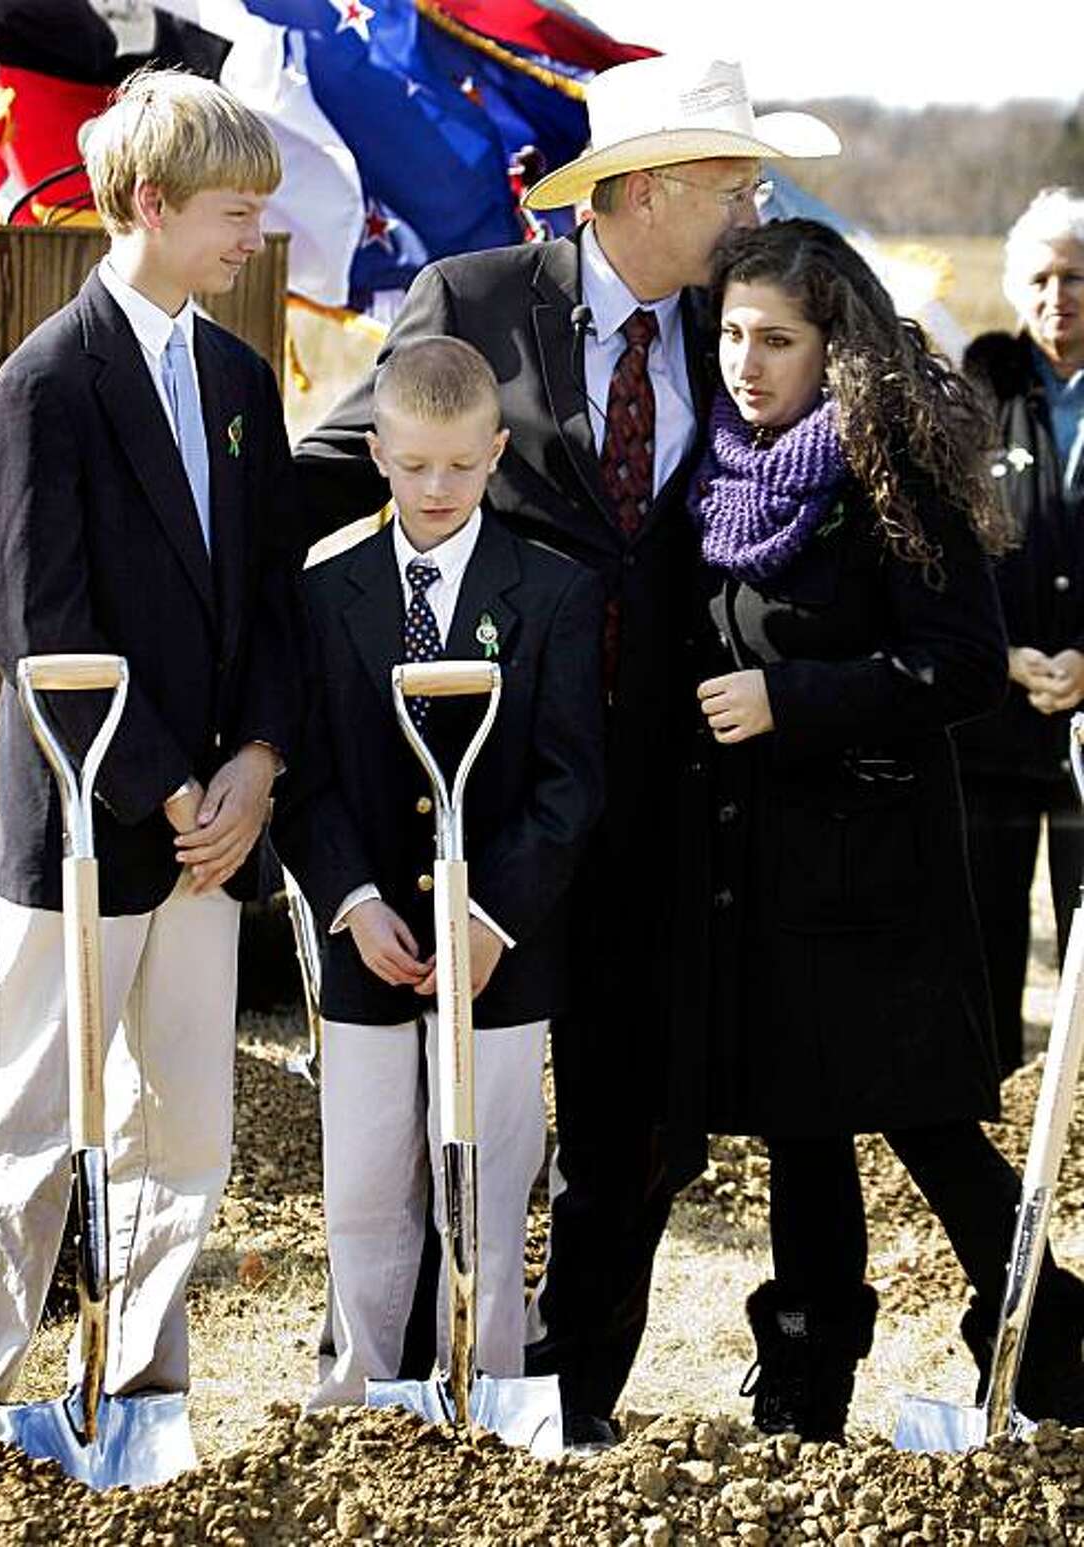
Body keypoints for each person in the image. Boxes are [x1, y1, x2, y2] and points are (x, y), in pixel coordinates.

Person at [294, 54, 839, 1448]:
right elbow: (345, 459)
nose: (753, 202)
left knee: (633, 1120)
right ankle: (411, 1373)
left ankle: (566, 1388)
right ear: (644, 191)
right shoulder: (475, 304)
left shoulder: (745, 331)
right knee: (444, 1102)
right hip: (476, 793)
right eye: (731, 180)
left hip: (672, 799)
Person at [0, 68, 305, 1465]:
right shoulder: (46, 383)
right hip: (85, 822)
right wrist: (165, 789)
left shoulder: (241, 381)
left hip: (210, 837)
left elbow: (269, 604)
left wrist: (252, 763)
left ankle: (139, 1393)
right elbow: (32, 617)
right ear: (149, 204)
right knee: (20, 1117)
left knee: (179, 1126)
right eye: (235, 212)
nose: (255, 235)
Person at [683, 216, 1084, 1441]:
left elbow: (957, 663)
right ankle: (807, 1375)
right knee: (800, 1127)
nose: (749, 363)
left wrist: (789, 697)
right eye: (736, 336)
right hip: (763, 864)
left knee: (925, 1121)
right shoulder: (719, 466)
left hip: (880, 866)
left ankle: (1052, 1345)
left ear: (835, 345)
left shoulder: (888, 469)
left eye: (779, 340)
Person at [276, 336, 604, 1406]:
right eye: (413, 463)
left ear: (496, 452)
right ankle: (361, 1392)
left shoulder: (550, 590)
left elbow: (571, 783)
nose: (434, 488)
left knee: (492, 1189)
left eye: (460, 466)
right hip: (368, 948)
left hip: (499, 957)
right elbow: (306, 773)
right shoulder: (328, 587)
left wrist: (493, 916)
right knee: (369, 1188)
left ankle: (488, 1393)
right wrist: (355, 901)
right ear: (376, 450)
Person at [956, 188, 1084, 1077]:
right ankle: (986, 1126)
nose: (1058, 295)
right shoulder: (980, 389)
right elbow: (942, 549)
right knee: (985, 936)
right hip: (993, 720)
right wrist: (991, 651)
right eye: (1040, 276)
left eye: (1077, 276)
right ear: (1013, 285)